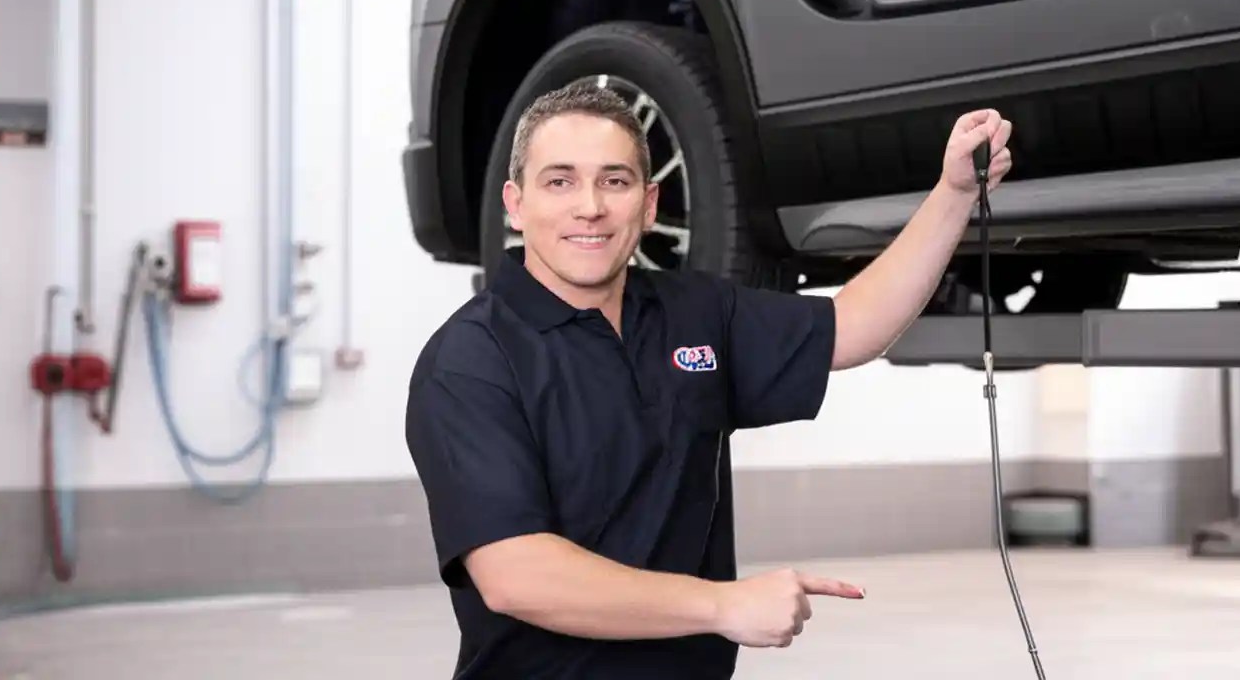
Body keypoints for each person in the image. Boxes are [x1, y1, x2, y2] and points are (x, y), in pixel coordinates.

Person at [405, 80, 1013, 679]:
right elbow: (517, 576)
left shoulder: (692, 312)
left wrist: (954, 192)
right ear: (516, 203)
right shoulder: (470, 360)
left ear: (648, 205)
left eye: (614, 181)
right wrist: (724, 605)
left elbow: (851, 326)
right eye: (559, 181)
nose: (589, 205)